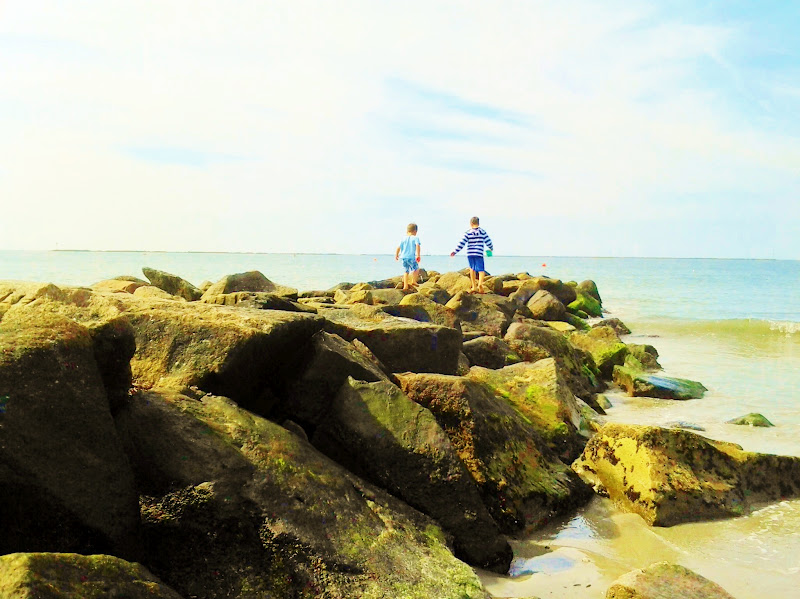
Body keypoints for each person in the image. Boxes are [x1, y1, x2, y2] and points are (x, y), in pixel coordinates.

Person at [450, 216, 493, 293]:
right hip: (479, 253)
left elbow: (461, 243)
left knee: (472, 269)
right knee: (481, 270)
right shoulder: (482, 232)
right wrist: (491, 248)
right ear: (478, 223)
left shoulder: (468, 233)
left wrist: (455, 251)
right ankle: (480, 284)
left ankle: (474, 286)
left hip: (470, 253)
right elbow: (488, 241)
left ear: (471, 224)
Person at [395, 222, 421, 290]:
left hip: (403, 257)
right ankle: (414, 281)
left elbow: (398, 247)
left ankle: (405, 286)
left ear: (407, 231)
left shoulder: (403, 238)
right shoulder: (415, 238)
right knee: (416, 268)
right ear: (415, 231)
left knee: (406, 271)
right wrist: (418, 255)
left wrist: (396, 255)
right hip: (411, 257)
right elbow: (418, 246)